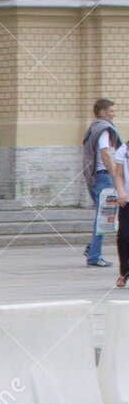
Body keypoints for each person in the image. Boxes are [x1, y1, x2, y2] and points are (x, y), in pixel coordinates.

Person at [83, 97, 120, 268]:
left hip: (96, 178)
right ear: (103, 112)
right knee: (104, 218)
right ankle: (94, 256)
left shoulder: (94, 128)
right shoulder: (104, 129)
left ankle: (92, 249)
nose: (113, 114)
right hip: (104, 177)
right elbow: (105, 153)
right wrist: (115, 175)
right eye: (111, 111)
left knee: (104, 217)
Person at [110, 132, 129, 289]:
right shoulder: (124, 150)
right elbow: (118, 174)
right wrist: (121, 191)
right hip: (126, 201)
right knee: (123, 236)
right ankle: (124, 272)